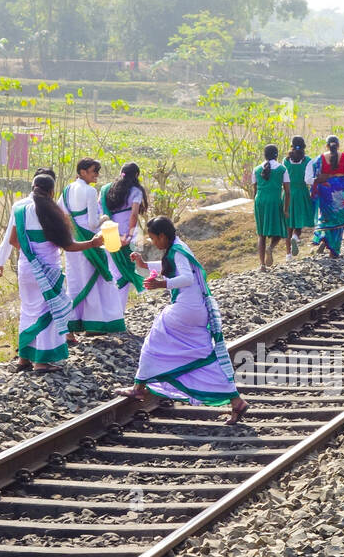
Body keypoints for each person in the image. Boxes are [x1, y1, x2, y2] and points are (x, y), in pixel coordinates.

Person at [118, 216, 249, 424]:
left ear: (162, 236)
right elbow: (169, 269)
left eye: (153, 238)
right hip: (195, 310)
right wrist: (143, 264)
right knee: (204, 356)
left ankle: (138, 388)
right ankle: (236, 401)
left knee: (153, 343)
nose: (153, 242)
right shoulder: (177, 248)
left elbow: (185, 278)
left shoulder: (177, 251)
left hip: (185, 309)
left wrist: (163, 285)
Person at [0, 169, 104, 372]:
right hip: (49, 271)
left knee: (28, 310)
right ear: (52, 192)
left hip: (27, 269)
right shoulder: (52, 212)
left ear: (33, 188)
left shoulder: (20, 209)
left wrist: (31, 255)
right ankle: (42, 362)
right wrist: (93, 243)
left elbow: (12, 240)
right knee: (48, 311)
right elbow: (69, 246)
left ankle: (24, 359)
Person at [59, 158, 126, 334]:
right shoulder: (89, 191)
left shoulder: (66, 191)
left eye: (97, 171)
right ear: (82, 172)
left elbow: (61, 214)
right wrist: (104, 218)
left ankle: (72, 324)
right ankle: (95, 323)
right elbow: (92, 223)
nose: (96, 175)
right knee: (96, 279)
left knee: (75, 281)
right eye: (93, 171)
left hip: (73, 241)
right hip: (90, 240)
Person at [98, 162, 148, 310]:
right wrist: (129, 235)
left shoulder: (106, 189)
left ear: (121, 173)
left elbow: (100, 211)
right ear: (137, 175)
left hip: (108, 234)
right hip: (126, 237)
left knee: (113, 272)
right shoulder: (136, 191)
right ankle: (117, 314)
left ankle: (107, 312)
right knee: (124, 275)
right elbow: (133, 215)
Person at [254, 144, 288, 270]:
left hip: (260, 202)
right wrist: (285, 208)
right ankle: (271, 247)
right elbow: (287, 191)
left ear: (264, 155)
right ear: (276, 155)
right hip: (274, 201)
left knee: (261, 234)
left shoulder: (257, 169)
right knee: (279, 230)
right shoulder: (282, 169)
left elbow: (255, 189)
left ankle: (262, 264)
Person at [283, 136, 316, 261]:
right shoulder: (307, 161)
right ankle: (296, 237)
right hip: (301, 192)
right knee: (299, 220)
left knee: (288, 224)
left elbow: (283, 179)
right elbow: (308, 180)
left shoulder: (285, 160)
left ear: (291, 146)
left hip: (288, 193)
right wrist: (319, 181)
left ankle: (288, 255)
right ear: (304, 147)